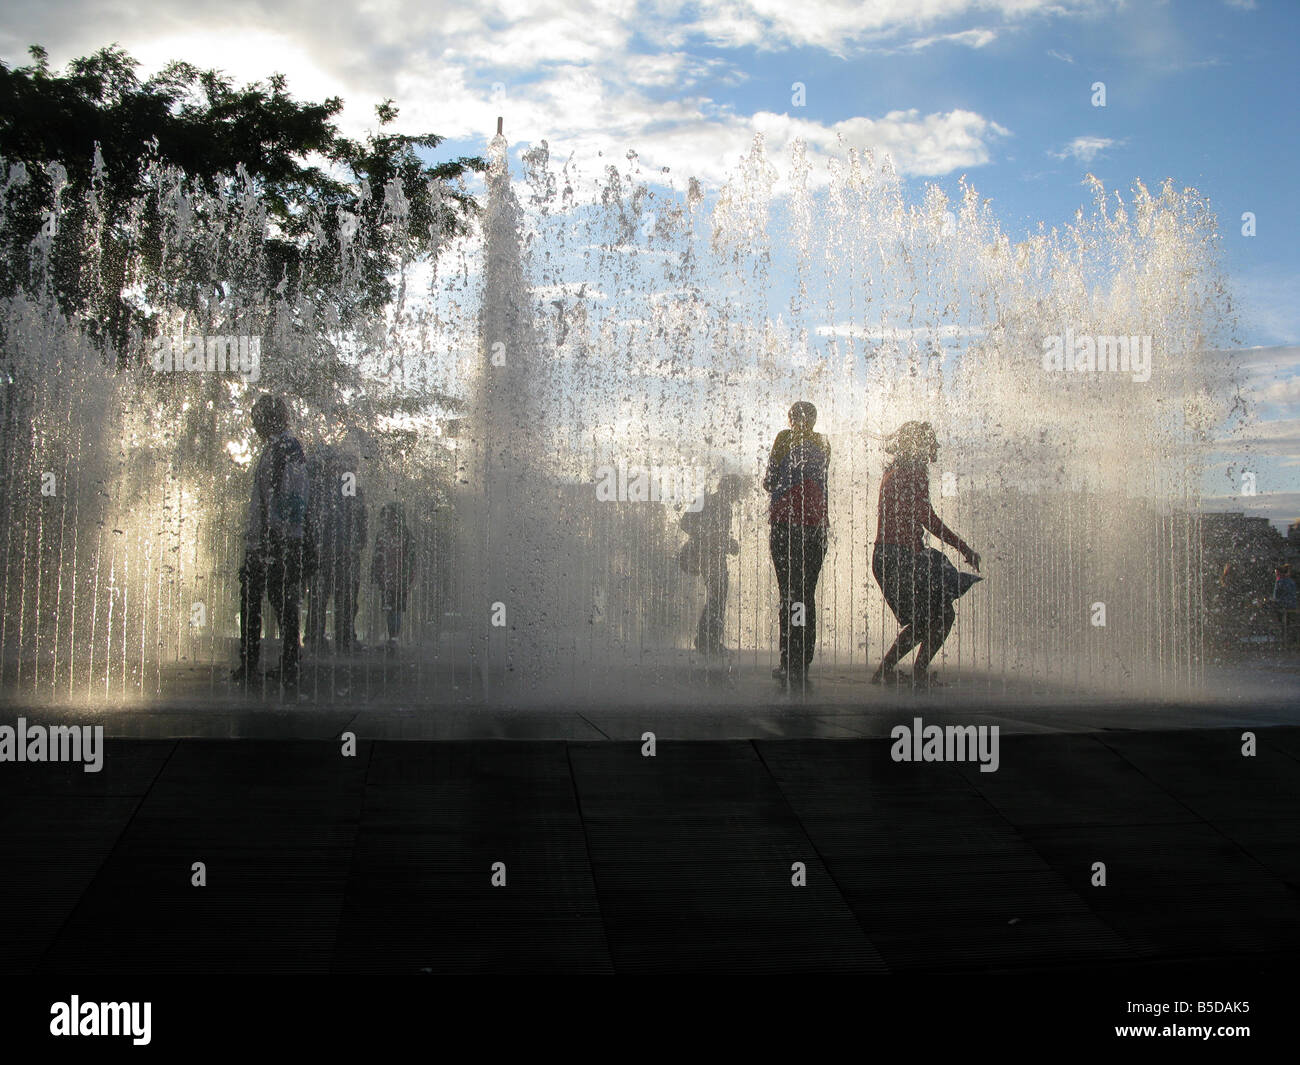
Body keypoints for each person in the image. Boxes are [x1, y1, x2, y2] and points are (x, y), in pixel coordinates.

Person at [871, 420, 981, 688]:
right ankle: (911, 673)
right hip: (900, 558)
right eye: (932, 440)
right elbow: (926, 518)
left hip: (887, 557)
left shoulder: (896, 470)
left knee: (928, 618)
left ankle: (887, 672)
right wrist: (963, 546)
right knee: (940, 616)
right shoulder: (912, 470)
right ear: (918, 444)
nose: (937, 445)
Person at [233, 395, 310, 693]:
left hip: (274, 542)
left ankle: (278, 665)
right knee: (272, 602)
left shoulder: (282, 449)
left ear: (269, 419)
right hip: (275, 540)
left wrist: (273, 536)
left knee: (269, 602)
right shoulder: (283, 448)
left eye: (257, 418)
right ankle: (276, 663)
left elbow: (287, 496)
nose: (253, 425)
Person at [763, 401, 831, 685]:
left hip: (786, 526)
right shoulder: (824, 443)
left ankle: (788, 660)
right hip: (815, 529)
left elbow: (769, 481)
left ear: (791, 418)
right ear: (814, 420)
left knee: (789, 594)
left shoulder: (784, 438)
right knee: (806, 594)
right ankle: (803, 661)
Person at [307, 445, 368, 653]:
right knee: (339, 597)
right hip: (337, 551)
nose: (352, 469)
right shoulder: (343, 486)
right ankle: (340, 638)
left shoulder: (323, 487)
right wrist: (358, 540)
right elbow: (354, 512)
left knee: (325, 596)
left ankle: (319, 637)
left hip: (328, 550)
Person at [680, 475, 747, 656]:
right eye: (736, 490)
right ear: (727, 488)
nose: (737, 495)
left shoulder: (726, 508)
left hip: (715, 555)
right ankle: (705, 640)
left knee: (719, 595)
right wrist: (707, 536)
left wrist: (728, 543)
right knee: (718, 594)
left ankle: (709, 640)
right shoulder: (704, 499)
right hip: (702, 553)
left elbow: (719, 535)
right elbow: (684, 523)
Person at [372, 501, 416, 653]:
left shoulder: (406, 535)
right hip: (387, 578)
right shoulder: (383, 534)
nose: (387, 519)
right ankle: (392, 638)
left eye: (389, 515)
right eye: (386, 516)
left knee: (396, 609)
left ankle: (393, 639)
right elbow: (376, 556)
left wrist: (408, 576)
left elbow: (411, 558)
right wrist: (376, 573)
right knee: (389, 608)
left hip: (399, 579)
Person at [1273, 563, 1298, 649]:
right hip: (1292, 605)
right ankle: (1290, 637)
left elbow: (1276, 597)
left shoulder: (1280, 581)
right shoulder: (1291, 581)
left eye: (1276, 573)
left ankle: (1280, 632)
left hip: (1283, 605)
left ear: (1279, 573)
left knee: (1271, 609)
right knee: (1289, 622)